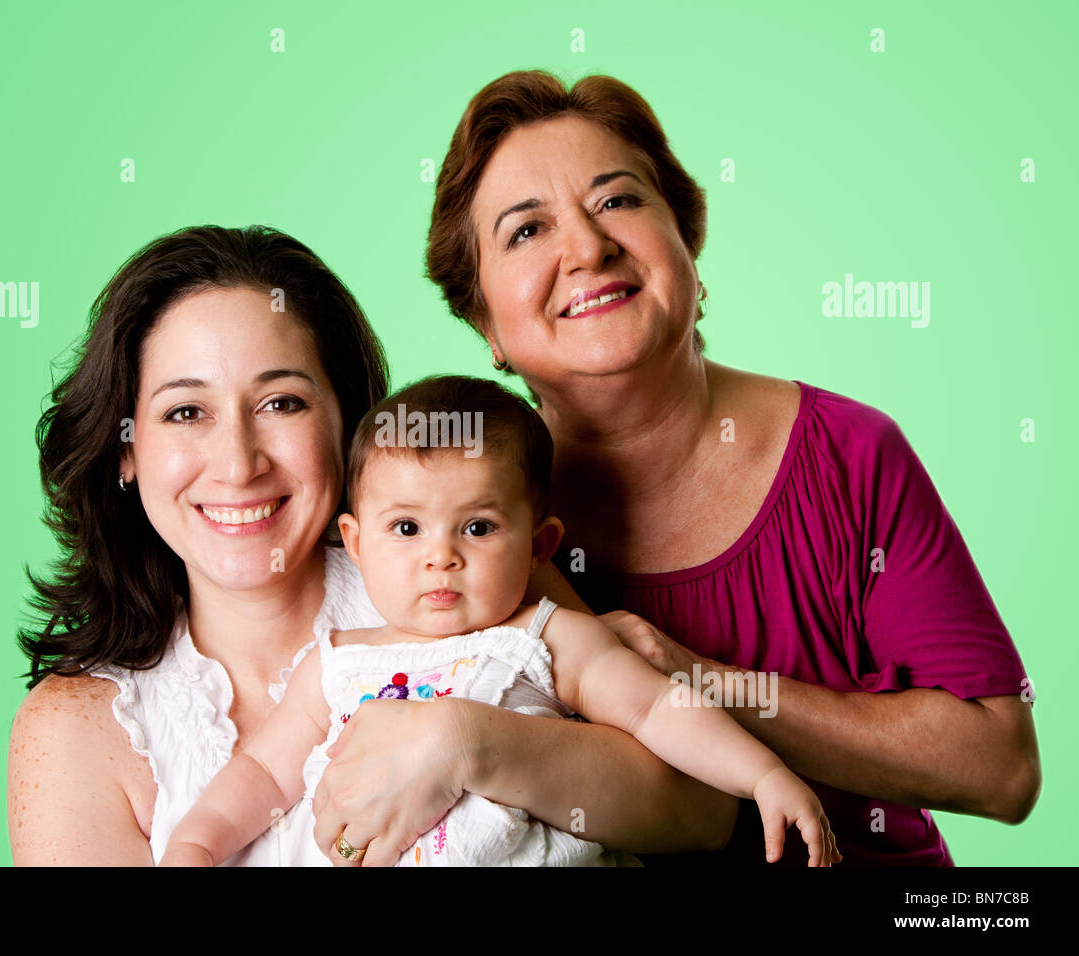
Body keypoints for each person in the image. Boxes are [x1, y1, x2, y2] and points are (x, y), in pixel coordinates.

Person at [424, 71, 1042, 865]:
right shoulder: (443, 518)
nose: (587, 247)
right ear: (485, 324)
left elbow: (1003, 768)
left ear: (687, 244)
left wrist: (699, 678)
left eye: (617, 200)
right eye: (526, 231)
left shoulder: (851, 454)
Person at [7, 224, 740, 866]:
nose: (238, 462)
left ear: (348, 429)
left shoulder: (456, 568)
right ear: (125, 449)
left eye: (282, 403)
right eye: (186, 411)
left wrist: (468, 743)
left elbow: (707, 813)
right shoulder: (75, 730)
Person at [160, 375, 841, 867]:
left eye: (478, 527)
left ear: (540, 546)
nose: (441, 557)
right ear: (358, 542)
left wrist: (762, 775)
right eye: (406, 528)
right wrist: (194, 846)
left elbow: (660, 711)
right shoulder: (335, 663)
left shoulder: (549, 638)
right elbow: (262, 778)